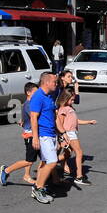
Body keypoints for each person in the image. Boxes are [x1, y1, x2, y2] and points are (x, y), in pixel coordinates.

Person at [55, 84, 98, 186]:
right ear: (65, 98)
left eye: (73, 100)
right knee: (79, 152)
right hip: (68, 133)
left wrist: (88, 122)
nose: (73, 101)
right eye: (71, 100)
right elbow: (59, 123)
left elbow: (75, 120)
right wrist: (62, 135)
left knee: (67, 154)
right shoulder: (63, 109)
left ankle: (50, 163)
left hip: (71, 132)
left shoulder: (70, 108)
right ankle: (79, 176)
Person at [0, 83, 41, 188]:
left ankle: (31, 177)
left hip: (36, 134)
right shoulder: (29, 104)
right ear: (28, 92)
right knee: (29, 160)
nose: (37, 95)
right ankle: (6, 170)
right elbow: (34, 118)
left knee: (41, 159)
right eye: (35, 93)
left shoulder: (31, 103)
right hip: (31, 135)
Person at [27, 71, 59, 204]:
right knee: (52, 162)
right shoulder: (38, 97)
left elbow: (53, 116)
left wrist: (60, 134)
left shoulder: (49, 96)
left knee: (45, 162)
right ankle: (38, 188)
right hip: (43, 135)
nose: (56, 84)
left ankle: (41, 187)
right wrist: (35, 137)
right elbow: (33, 117)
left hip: (51, 134)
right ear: (46, 82)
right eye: (54, 82)